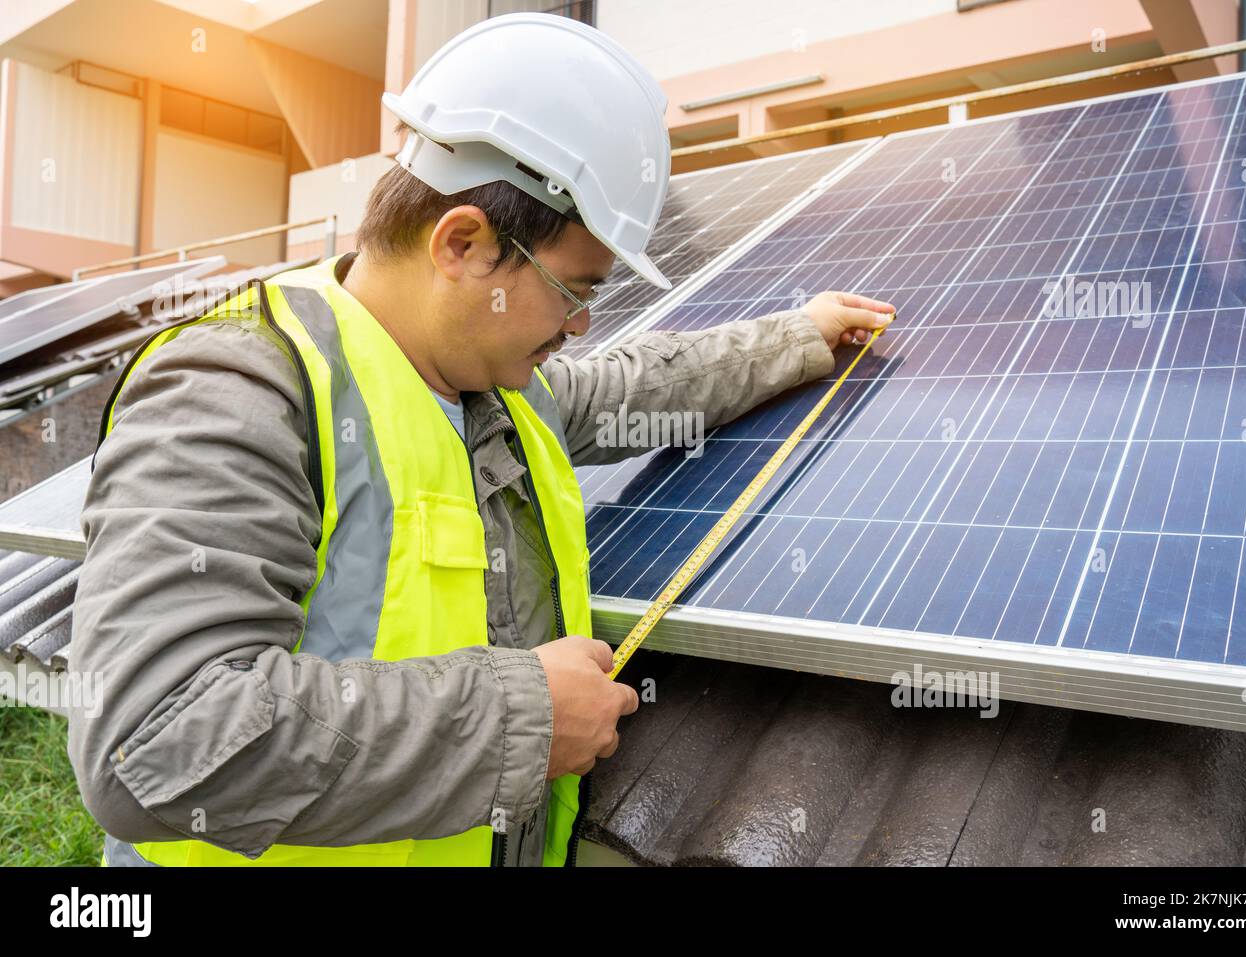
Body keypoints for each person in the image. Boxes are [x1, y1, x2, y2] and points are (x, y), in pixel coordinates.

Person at [67, 12, 893, 867]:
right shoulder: (240, 389)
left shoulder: (498, 387)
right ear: (462, 243)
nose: (581, 325)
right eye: (573, 290)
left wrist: (800, 334)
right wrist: (524, 716)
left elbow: (643, 381)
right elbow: (155, 742)